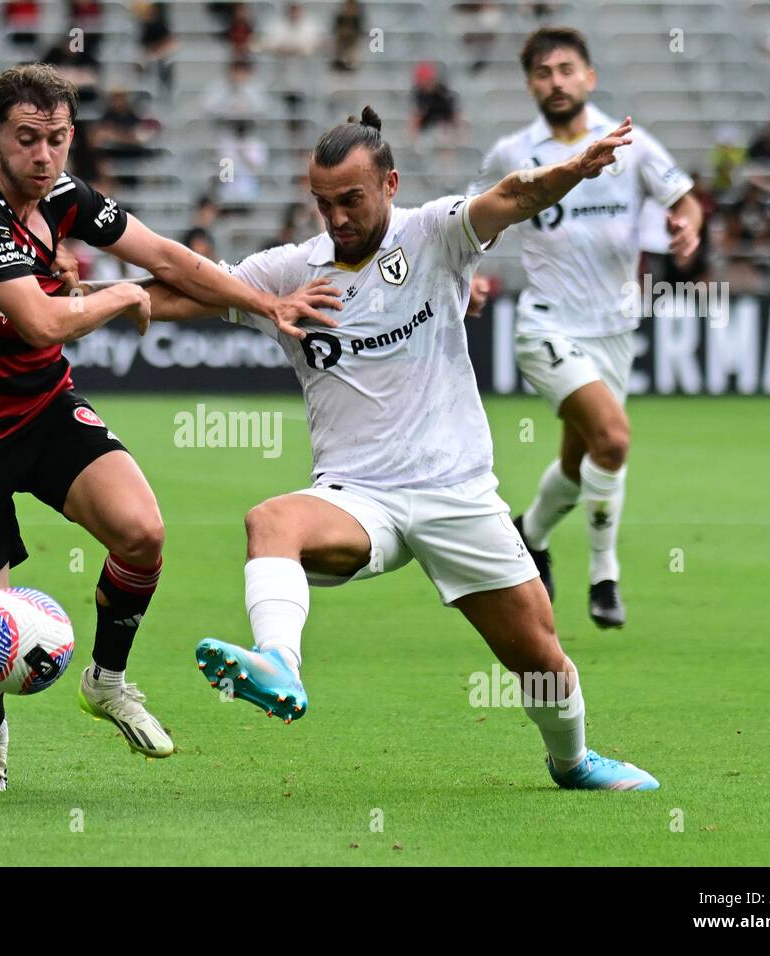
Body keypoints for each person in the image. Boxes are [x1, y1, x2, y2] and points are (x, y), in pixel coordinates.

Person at [136, 105, 661, 791]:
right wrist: (79, 300)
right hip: (358, 497)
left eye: (351, 199)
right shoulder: (292, 269)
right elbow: (185, 292)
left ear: (390, 183)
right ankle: (279, 663)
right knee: (270, 521)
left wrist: (573, 168)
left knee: (543, 661)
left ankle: (573, 762)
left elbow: (512, 195)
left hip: (458, 492)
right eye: (323, 203)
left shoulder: (435, 234)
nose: (337, 217)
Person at [0, 63, 339, 790]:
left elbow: (168, 256)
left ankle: (106, 681)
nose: (44, 157)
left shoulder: (64, 196)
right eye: (27, 140)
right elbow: (43, 323)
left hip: (40, 408)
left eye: (58, 140)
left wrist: (270, 307)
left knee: (143, 532)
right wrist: (122, 295)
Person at [470, 27, 703, 629]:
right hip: (546, 324)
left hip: (615, 330)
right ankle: (604, 575)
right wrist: (465, 272)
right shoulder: (512, 153)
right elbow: (473, 222)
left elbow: (684, 197)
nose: (556, 82)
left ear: (589, 76)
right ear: (530, 85)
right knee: (616, 439)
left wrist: (687, 225)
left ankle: (532, 531)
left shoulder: (629, 142)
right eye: (544, 73)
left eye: (567, 69)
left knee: (584, 460)